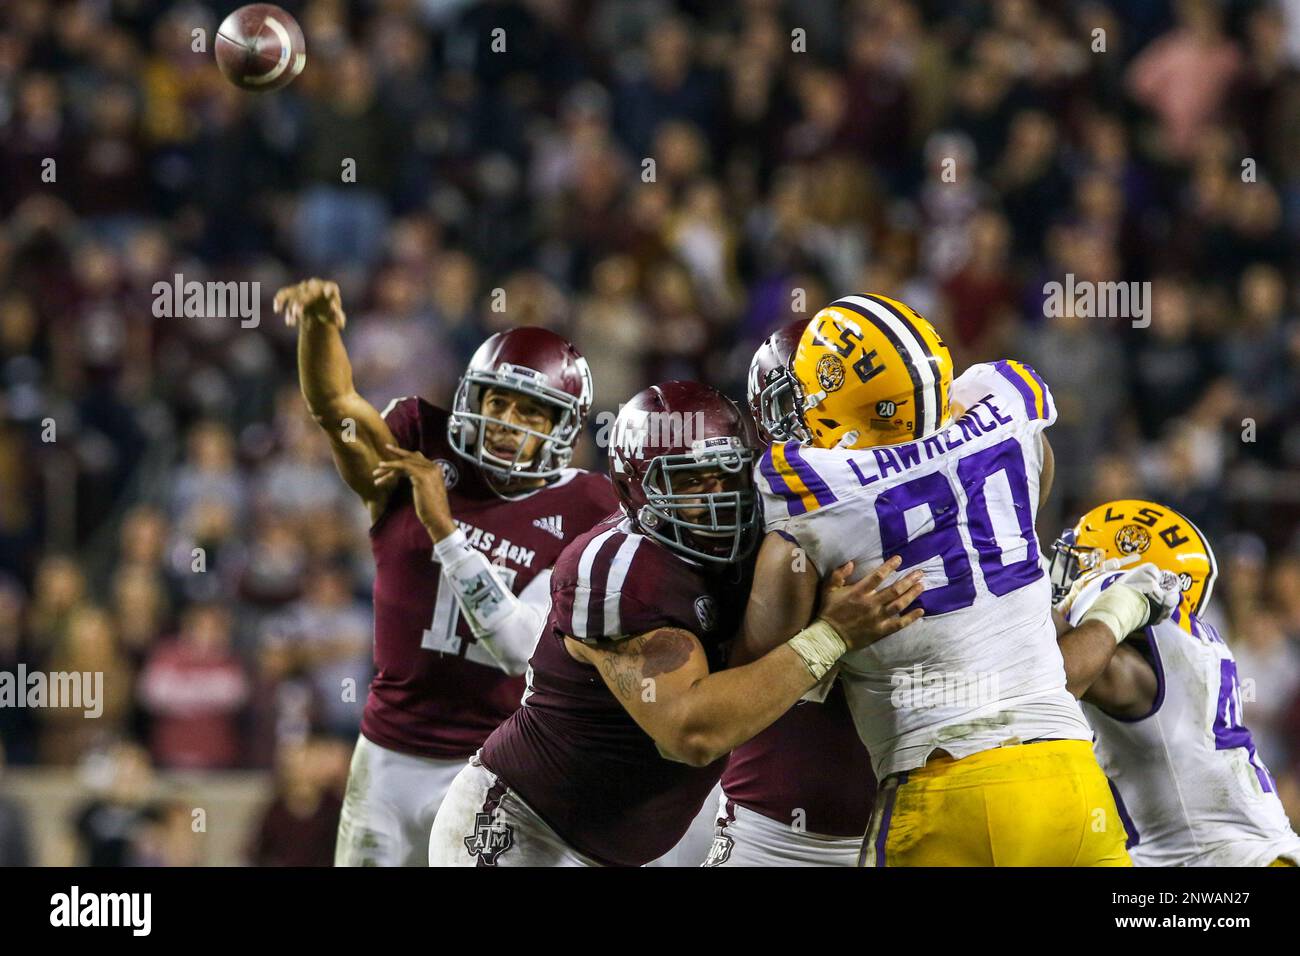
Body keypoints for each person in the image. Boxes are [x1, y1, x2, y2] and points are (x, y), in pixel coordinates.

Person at [739, 292, 1176, 866]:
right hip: (1071, 779)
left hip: (946, 787)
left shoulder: (813, 496)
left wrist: (829, 630)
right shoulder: (1010, 424)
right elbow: (1035, 475)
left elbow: (761, 662)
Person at [429, 380, 924, 866]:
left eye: (728, 474)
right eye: (690, 481)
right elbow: (692, 735)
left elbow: (753, 670)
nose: (719, 496)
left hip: (620, 848)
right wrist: (831, 634)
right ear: (635, 490)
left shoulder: (756, 545)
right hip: (522, 830)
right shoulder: (617, 572)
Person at [274, 278, 620, 866]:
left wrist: (446, 530)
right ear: (472, 398)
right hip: (388, 756)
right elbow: (336, 411)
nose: (509, 421)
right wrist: (318, 326)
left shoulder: (588, 508)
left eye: (530, 410)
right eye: (498, 402)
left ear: (562, 428)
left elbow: (523, 649)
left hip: (498, 767)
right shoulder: (419, 448)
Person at [704, 321, 874, 866]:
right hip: (773, 825)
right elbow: (740, 671)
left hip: (911, 820)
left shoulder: (928, 496)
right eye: (799, 404)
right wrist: (825, 634)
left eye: (838, 401)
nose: (821, 424)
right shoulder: (740, 516)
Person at [1052, 499, 1300, 867]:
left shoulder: (1141, 662)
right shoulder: (1181, 642)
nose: (1066, 580)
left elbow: (1056, 675)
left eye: (1081, 563)